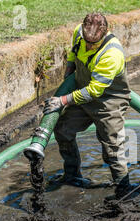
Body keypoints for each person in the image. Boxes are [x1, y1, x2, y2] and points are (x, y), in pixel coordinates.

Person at [42, 12, 131, 195]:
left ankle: (124, 191)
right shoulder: (79, 33)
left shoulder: (112, 54)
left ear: (104, 33)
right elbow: (73, 52)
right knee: (62, 129)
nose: (89, 46)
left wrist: (62, 100)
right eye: (87, 42)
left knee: (112, 150)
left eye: (94, 43)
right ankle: (72, 175)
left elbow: (94, 91)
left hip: (108, 102)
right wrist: (69, 69)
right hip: (82, 95)